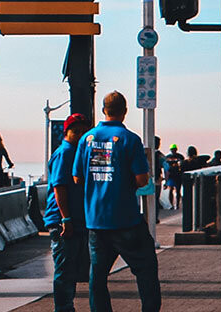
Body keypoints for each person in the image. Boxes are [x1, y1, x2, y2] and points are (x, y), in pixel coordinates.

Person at [64, 90, 158, 312]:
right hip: (126, 219)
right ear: (124, 112)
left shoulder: (87, 139)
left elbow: (77, 177)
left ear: (104, 111)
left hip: (96, 221)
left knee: (97, 276)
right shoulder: (130, 140)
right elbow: (142, 179)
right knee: (146, 270)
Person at [43, 113, 91, 312]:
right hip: (63, 220)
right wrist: (66, 218)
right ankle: (63, 308)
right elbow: (59, 187)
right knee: (64, 270)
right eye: (75, 131)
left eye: (83, 132)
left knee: (71, 269)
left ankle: (66, 307)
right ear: (67, 132)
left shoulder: (78, 152)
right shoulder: (65, 153)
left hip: (76, 219)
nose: (80, 135)